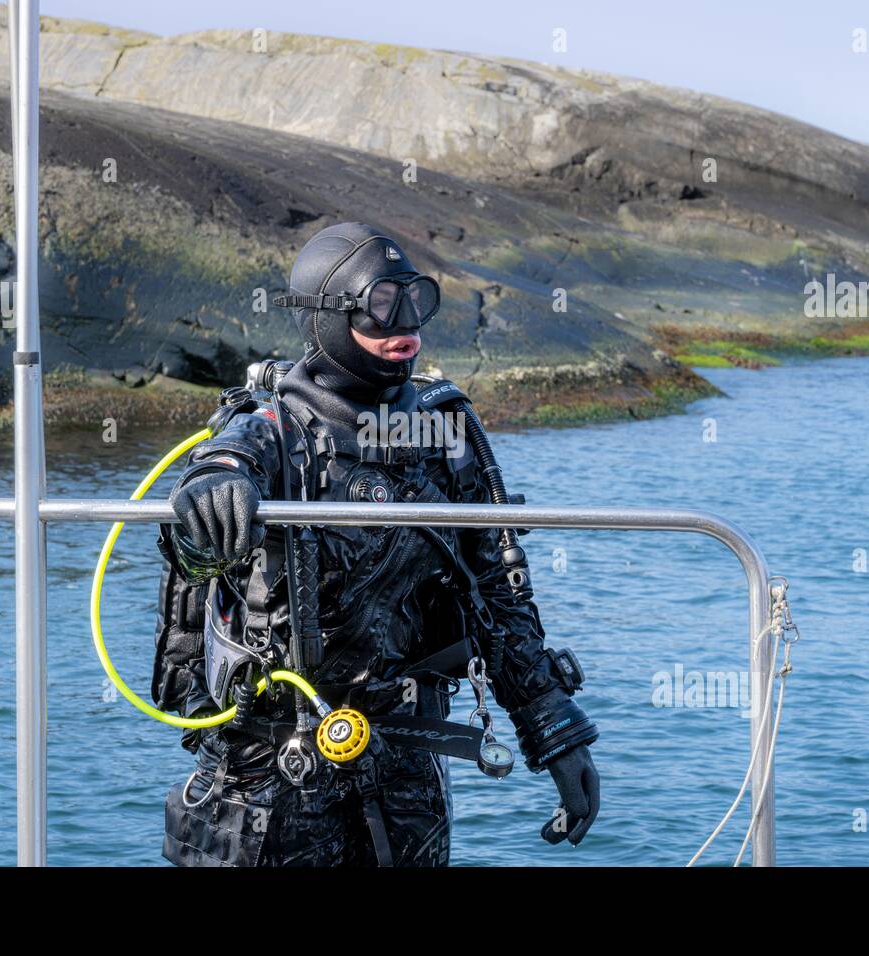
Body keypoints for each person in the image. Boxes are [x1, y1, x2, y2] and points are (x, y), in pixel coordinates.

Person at [153, 222, 599, 866]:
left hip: (406, 760)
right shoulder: (268, 431)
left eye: (416, 300)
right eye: (381, 304)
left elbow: (498, 594)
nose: (406, 324)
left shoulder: (445, 434)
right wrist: (210, 493)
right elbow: (210, 507)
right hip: (273, 768)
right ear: (328, 317)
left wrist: (553, 730)